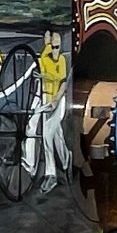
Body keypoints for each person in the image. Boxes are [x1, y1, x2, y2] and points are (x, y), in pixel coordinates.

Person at [32, 31, 71, 192]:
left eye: (58, 47)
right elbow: (40, 77)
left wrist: (55, 100)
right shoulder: (44, 57)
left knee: (47, 133)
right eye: (53, 46)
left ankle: (51, 175)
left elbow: (62, 83)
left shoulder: (61, 60)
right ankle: (66, 159)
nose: (55, 50)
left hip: (57, 100)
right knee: (57, 134)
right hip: (47, 99)